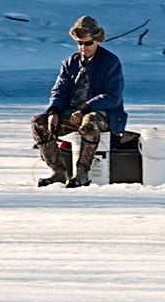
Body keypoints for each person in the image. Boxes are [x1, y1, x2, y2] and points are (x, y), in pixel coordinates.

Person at [33, 17, 125, 187]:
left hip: (105, 114)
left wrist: (85, 109)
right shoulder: (70, 62)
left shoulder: (110, 62)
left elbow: (113, 97)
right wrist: (53, 111)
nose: (83, 48)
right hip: (72, 112)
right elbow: (59, 89)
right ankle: (58, 172)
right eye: (79, 43)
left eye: (88, 43)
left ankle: (82, 173)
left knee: (89, 123)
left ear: (97, 40)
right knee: (39, 122)